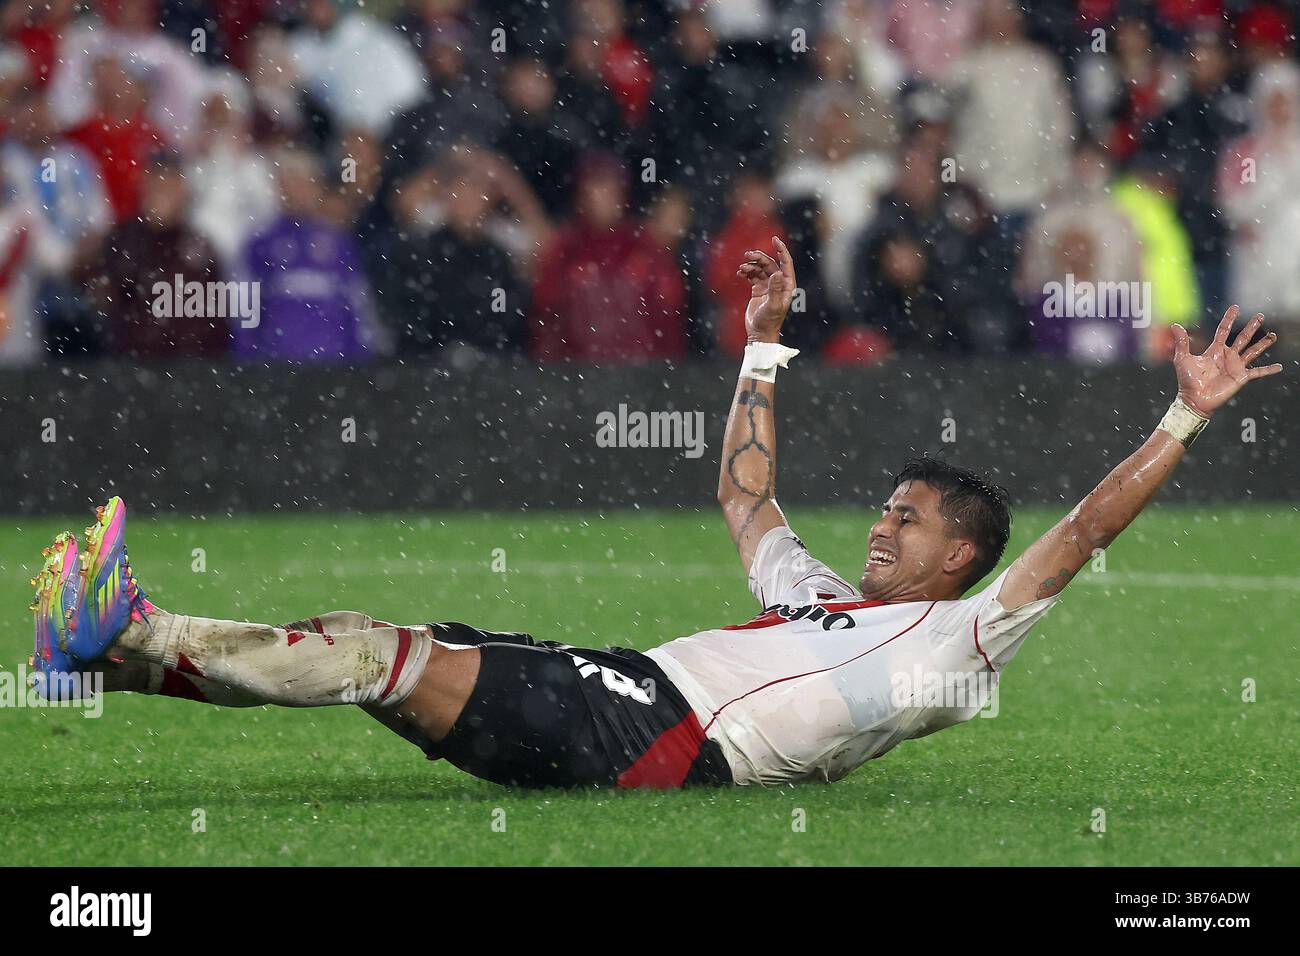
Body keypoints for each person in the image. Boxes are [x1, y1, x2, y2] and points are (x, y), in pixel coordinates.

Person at [30, 240, 1284, 789]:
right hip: (625, 689)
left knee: (377, 657)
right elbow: (744, 490)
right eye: (885, 512)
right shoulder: (818, 596)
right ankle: (101, 661)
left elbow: (1080, 536)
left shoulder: (958, 636)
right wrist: (763, 345)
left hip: (657, 742)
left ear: (960, 552)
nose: (881, 528)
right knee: (367, 639)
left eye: (906, 519)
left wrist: (1181, 419)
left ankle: (128, 623)